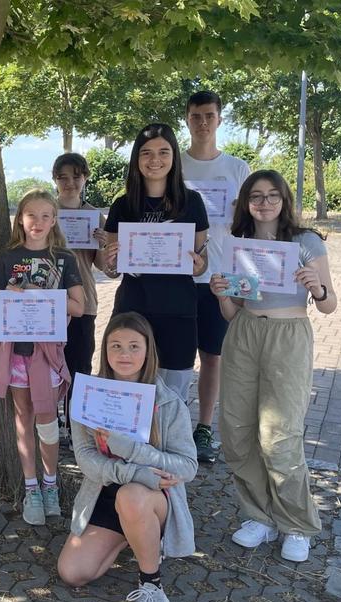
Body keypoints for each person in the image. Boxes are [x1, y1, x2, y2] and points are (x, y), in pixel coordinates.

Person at [210, 170, 337, 563]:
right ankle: (259, 516)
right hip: (245, 333)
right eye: (256, 196)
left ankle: (297, 524)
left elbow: (329, 304)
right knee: (237, 428)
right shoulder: (239, 244)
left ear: (284, 200)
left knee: (280, 435)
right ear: (246, 202)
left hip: (288, 334)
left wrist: (316, 285)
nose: (264, 203)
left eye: (272, 196)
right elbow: (233, 312)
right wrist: (220, 293)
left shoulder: (305, 241)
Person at [57, 312, 197, 602]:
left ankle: (151, 585)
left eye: (135, 346)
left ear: (149, 351)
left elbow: (188, 466)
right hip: (106, 491)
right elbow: (85, 459)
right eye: (116, 345)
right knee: (73, 573)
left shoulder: (169, 403)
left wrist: (131, 449)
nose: (125, 354)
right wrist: (137, 472)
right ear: (104, 351)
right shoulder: (88, 397)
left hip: (151, 497)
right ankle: (132, 534)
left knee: (132, 499)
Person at [0, 190, 85, 525]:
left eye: (45, 216)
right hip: (16, 351)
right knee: (22, 415)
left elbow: (79, 307)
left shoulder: (65, 259)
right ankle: (31, 488)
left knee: (47, 416)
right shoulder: (6, 259)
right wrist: (11, 297)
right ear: (20, 219)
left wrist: (43, 296)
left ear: (54, 220)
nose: (37, 222)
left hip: (48, 353)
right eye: (30, 215)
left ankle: (51, 484)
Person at [100, 123, 209, 404]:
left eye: (163, 152)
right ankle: (129, 449)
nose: (155, 160)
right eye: (146, 153)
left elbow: (202, 261)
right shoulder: (122, 205)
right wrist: (110, 262)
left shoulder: (192, 202)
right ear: (136, 158)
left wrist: (198, 265)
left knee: (173, 397)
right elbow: (111, 268)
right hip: (133, 309)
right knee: (129, 392)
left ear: (174, 158)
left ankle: (171, 448)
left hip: (178, 312)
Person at [181, 90, 252, 465]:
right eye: (196, 116)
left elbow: (248, 227)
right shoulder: (173, 165)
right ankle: (170, 424)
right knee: (170, 357)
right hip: (177, 277)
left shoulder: (237, 169)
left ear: (220, 119)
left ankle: (204, 427)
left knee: (213, 356)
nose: (203, 122)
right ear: (187, 120)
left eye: (209, 115)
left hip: (219, 279)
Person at [52, 152, 109, 427]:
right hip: (49, 304)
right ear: (55, 180)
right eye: (63, 177)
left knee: (80, 368)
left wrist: (103, 244)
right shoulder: (47, 212)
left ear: (85, 177)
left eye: (76, 176)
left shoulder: (95, 216)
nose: (70, 183)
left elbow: (103, 265)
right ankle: (50, 425)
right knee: (49, 367)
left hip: (83, 302)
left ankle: (77, 428)